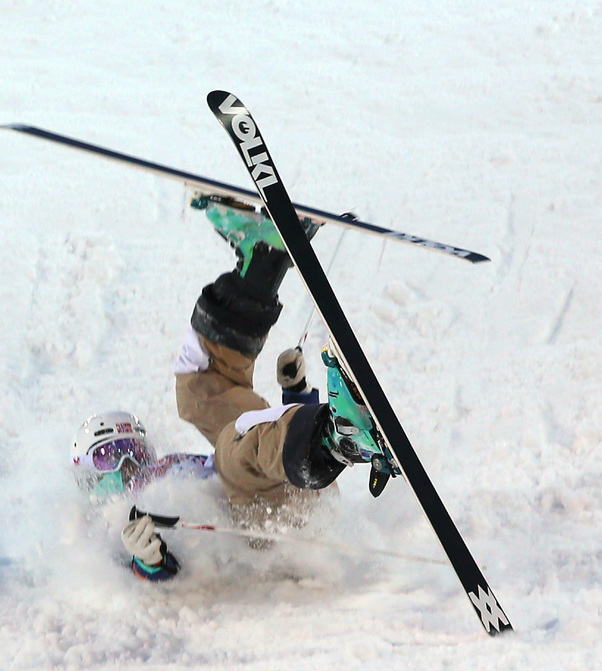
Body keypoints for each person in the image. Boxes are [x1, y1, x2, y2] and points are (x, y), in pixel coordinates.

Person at [70, 196, 384, 581]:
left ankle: (264, 260)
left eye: (130, 448)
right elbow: (131, 583)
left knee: (196, 394)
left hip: (281, 489)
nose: (126, 462)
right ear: (88, 480)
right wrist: (148, 562)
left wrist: (297, 394)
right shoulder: (114, 523)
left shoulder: (164, 473)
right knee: (231, 451)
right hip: (266, 529)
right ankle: (339, 440)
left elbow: (260, 450)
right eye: (108, 458)